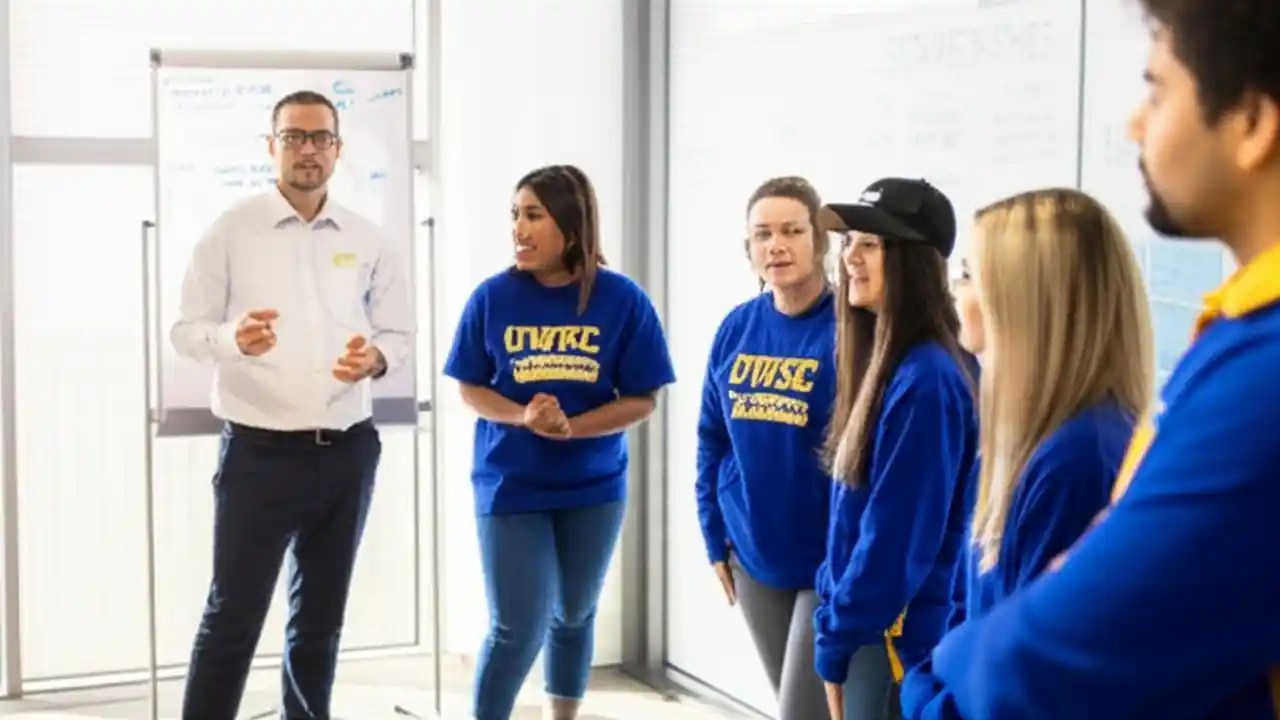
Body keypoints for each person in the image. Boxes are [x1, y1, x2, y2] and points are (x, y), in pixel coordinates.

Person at [916, 1, 1280, 717]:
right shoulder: (1237, 338)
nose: (1135, 126)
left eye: (1157, 92)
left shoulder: (1260, 373)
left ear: (1251, 123)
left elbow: (1047, 660)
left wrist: (949, 668)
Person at [171, 90, 412, 719]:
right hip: (259, 454)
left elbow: (398, 335)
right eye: (294, 137)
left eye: (320, 137)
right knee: (233, 615)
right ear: (270, 146)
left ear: (338, 148)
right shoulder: (231, 231)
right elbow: (185, 332)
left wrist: (375, 359)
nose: (308, 149)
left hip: (347, 452)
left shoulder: (368, 239)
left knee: (320, 622)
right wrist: (233, 339)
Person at [897, 188, 1154, 719]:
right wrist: (928, 683)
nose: (953, 290)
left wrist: (923, 699)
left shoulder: (1078, 460)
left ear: (1022, 298)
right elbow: (968, 620)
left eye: (968, 274)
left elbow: (1030, 681)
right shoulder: (1019, 440)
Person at [443, 164, 675, 720]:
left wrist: (573, 427)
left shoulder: (623, 299)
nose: (518, 229)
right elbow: (470, 387)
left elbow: (643, 397)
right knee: (516, 626)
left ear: (572, 227)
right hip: (510, 484)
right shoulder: (492, 297)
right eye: (515, 215)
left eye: (533, 215)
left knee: (573, 614)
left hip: (593, 487)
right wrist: (523, 417)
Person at [813, 178, 979, 720]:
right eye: (849, 242)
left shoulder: (928, 379)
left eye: (871, 244)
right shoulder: (891, 362)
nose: (850, 258)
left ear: (914, 262)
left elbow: (895, 541)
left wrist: (835, 637)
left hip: (890, 640)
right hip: (865, 625)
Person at [695, 176, 834, 719]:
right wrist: (714, 538)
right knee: (797, 705)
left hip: (829, 561)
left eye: (792, 231)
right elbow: (711, 439)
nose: (776, 245)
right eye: (762, 234)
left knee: (804, 711)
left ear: (820, 241)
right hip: (753, 555)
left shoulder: (853, 329)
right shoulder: (737, 328)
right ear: (748, 248)